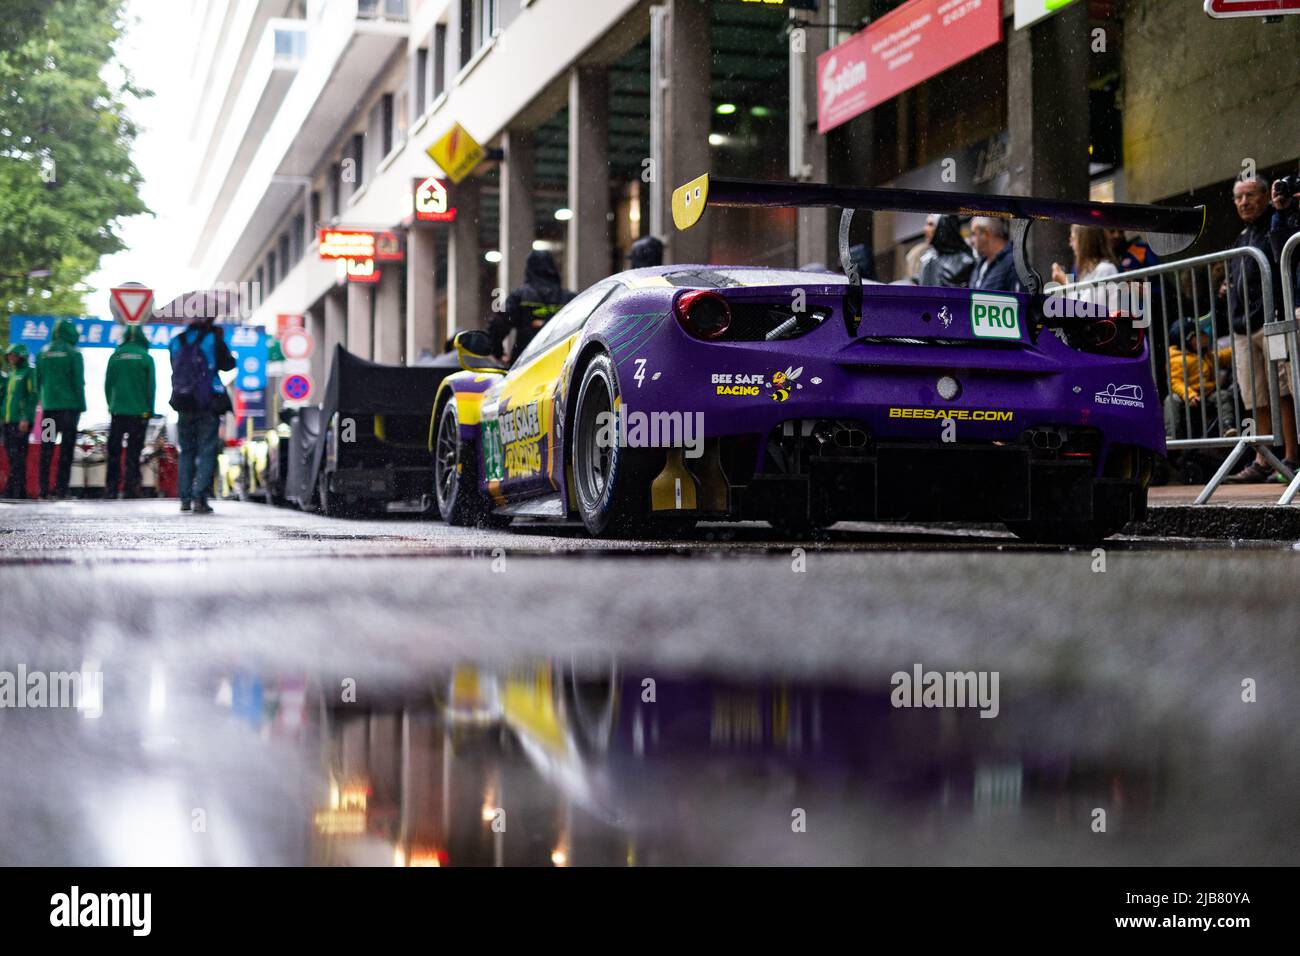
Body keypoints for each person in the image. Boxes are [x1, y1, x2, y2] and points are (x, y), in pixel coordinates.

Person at [1222, 177, 1297, 482]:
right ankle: (1263, 459)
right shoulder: (1242, 237)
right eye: (1238, 198)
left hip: (1273, 319)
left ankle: (1292, 456)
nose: (1243, 202)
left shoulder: (1275, 226)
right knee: (1255, 396)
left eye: (1250, 195)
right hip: (1243, 326)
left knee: (1283, 390)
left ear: (1266, 196)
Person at [168, 316, 235, 513]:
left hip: (183, 401)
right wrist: (220, 341)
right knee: (207, 450)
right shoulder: (213, 339)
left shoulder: (176, 341)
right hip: (208, 402)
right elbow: (228, 365)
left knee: (187, 451)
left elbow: (175, 367)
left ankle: (185, 499)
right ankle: (200, 498)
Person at [487, 250, 576, 364]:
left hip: (525, 364)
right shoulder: (569, 299)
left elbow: (498, 325)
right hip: (561, 364)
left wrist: (497, 352)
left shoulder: (520, 296)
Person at [35, 318, 85, 500]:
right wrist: (82, 405)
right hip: (70, 410)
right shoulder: (74, 354)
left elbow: (37, 381)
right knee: (66, 450)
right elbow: (78, 383)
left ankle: (43, 489)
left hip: (49, 409)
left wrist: (44, 399)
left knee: (46, 448)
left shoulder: (42, 353)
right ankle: (61, 490)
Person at [104, 324, 156, 499]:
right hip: (139, 413)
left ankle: (111, 488)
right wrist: (149, 410)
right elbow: (151, 388)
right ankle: (130, 489)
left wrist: (111, 405)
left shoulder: (115, 357)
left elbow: (107, 384)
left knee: (114, 452)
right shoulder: (146, 357)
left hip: (117, 411)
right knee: (134, 453)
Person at [1165, 316, 1236, 440]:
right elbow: (1175, 382)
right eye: (1200, 334)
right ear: (1187, 340)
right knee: (1171, 399)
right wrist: (1190, 395)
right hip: (1187, 397)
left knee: (1223, 395)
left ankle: (1227, 426)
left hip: (1207, 394)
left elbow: (1222, 356)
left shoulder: (1205, 355)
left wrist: (1236, 349)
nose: (1205, 335)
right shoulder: (1176, 359)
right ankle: (1171, 434)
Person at [1050, 225, 1119, 306]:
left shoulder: (1106, 269)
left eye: (1073, 239)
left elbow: (1086, 309)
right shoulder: (1087, 273)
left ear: (1085, 242)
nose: (1070, 244)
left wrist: (1065, 282)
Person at [2, 344, 37, 499]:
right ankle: (19, 490)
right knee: (12, 456)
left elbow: (32, 396)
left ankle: (13, 490)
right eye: (9, 356)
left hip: (21, 422)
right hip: (8, 421)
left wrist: (25, 417)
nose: (10, 358)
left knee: (18, 456)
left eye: (13, 355)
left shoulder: (29, 371)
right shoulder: (11, 374)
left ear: (21, 356)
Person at [918, 215, 976, 288]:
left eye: (931, 224)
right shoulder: (927, 259)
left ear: (944, 227)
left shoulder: (966, 261)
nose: (925, 229)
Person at [969, 217, 1023, 293]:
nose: (971, 241)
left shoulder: (1013, 263)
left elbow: (1019, 300)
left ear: (986, 233)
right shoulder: (981, 263)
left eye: (974, 234)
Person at [905, 215, 937, 280]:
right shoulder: (917, 252)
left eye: (931, 224)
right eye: (927, 224)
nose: (925, 229)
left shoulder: (957, 258)